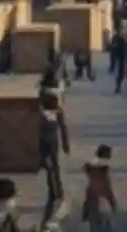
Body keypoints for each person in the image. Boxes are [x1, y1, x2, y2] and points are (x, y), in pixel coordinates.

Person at [38, 90, 72, 227]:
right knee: (51, 167)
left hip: (49, 144)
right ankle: (55, 191)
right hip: (47, 144)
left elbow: (63, 128)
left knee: (54, 167)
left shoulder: (55, 113)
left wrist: (65, 144)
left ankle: (56, 191)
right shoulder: (42, 115)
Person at [82, 145, 118, 232]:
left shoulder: (95, 167)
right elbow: (107, 189)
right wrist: (113, 204)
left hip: (94, 200)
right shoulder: (103, 171)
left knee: (95, 224)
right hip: (100, 202)